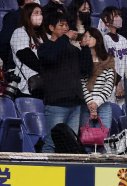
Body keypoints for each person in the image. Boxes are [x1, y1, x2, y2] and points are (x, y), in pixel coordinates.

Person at [38, 12, 92, 153]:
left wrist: (85, 47)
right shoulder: (45, 48)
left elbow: (86, 69)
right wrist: (65, 39)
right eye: (61, 25)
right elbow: (51, 57)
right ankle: (47, 173)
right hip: (57, 104)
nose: (65, 28)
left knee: (70, 144)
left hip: (75, 103)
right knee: (51, 142)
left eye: (66, 25)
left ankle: (67, 173)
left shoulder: (73, 49)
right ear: (51, 27)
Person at [80, 28, 116, 145]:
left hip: (103, 105)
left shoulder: (108, 59)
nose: (87, 39)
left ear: (98, 39)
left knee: (103, 140)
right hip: (86, 105)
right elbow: (81, 83)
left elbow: (109, 84)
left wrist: (96, 103)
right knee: (86, 139)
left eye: (90, 36)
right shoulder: (82, 59)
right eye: (85, 36)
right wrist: (90, 103)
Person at [10, 3, 45, 99]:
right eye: (36, 13)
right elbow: (24, 54)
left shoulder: (42, 36)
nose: (40, 16)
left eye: (41, 13)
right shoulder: (20, 31)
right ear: (27, 15)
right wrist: (45, 69)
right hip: (27, 86)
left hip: (44, 84)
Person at [100, 7, 127, 107]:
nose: (119, 18)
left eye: (119, 15)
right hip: (109, 85)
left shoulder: (124, 39)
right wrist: (118, 83)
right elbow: (105, 65)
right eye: (116, 15)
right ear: (106, 20)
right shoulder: (103, 40)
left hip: (125, 85)